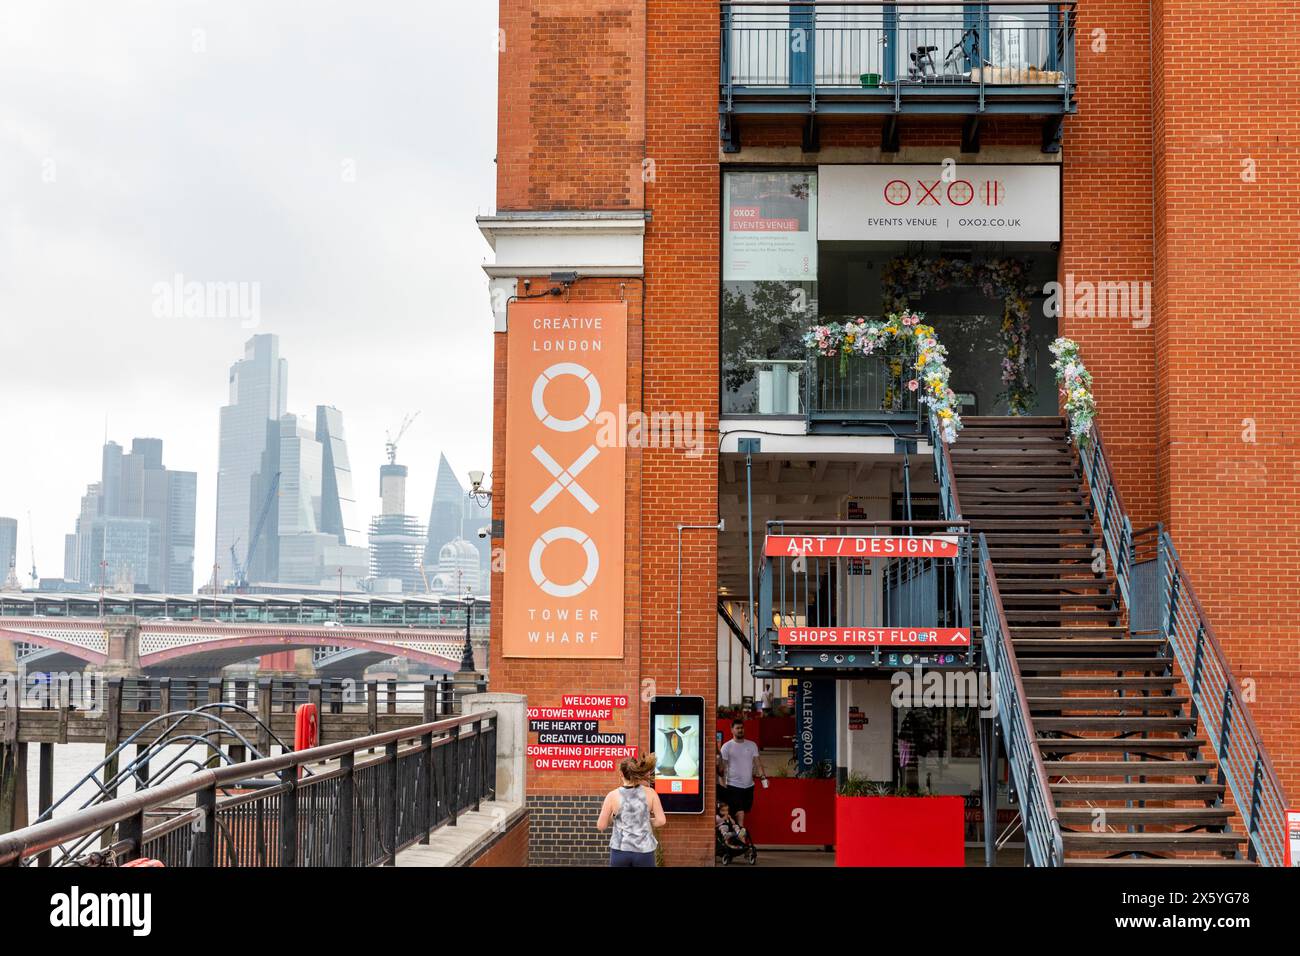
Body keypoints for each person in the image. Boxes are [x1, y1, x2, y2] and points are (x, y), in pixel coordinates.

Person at [596, 752, 667, 867]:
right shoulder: (651, 793)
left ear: (621, 774)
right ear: (637, 772)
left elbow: (601, 826)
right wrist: (645, 820)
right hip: (644, 852)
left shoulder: (612, 796)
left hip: (620, 851)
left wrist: (613, 818)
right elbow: (661, 821)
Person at [720, 718, 766, 828]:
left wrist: (763, 777)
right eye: (737, 728)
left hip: (749, 786)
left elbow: (758, 763)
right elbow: (723, 768)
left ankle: (734, 834)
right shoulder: (726, 747)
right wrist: (723, 786)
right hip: (733, 785)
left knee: (743, 810)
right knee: (740, 812)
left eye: (742, 728)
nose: (740, 730)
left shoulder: (752, 745)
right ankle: (741, 837)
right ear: (732, 730)